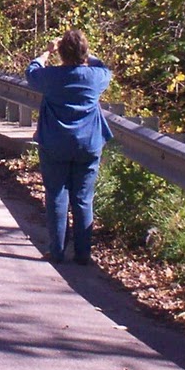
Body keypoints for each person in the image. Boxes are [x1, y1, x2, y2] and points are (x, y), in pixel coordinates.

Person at [24, 29, 113, 265]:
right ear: (84, 53)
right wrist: (86, 55)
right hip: (88, 144)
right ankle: (83, 254)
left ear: (61, 53)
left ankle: (58, 251)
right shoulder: (95, 77)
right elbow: (105, 68)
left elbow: (31, 71)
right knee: (83, 198)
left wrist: (47, 52)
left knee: (56, 196)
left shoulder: (51, 77)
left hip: (55, 143)